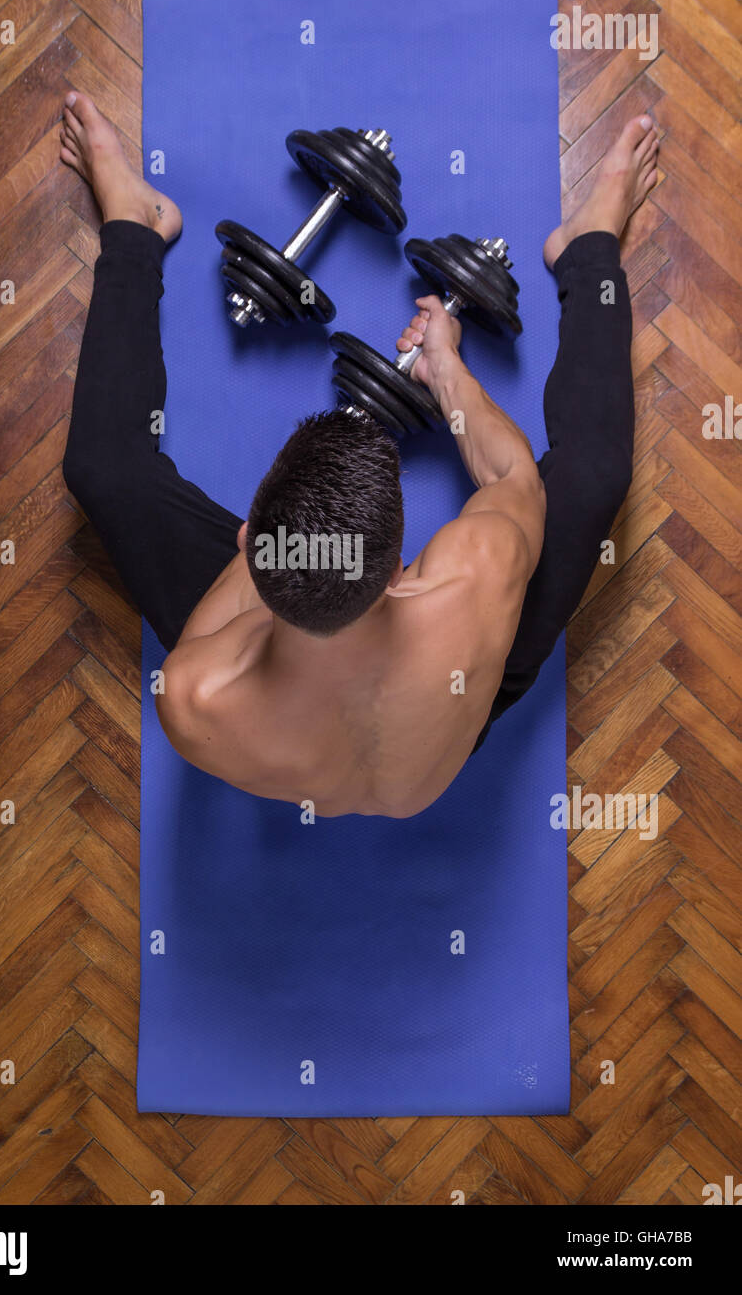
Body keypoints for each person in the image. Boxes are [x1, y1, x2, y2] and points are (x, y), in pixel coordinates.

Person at [60, 91, 659, 819]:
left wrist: (279, 554)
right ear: (403, 562)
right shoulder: (476, 576)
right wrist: (449, 369)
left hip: (314, 687)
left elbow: (269, 574)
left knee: (102, 466)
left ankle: (133, 228)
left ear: (251, 543)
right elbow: (508, 475)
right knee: (596, 472)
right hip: (438, 719)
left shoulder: (196, 695)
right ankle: (589, 245)